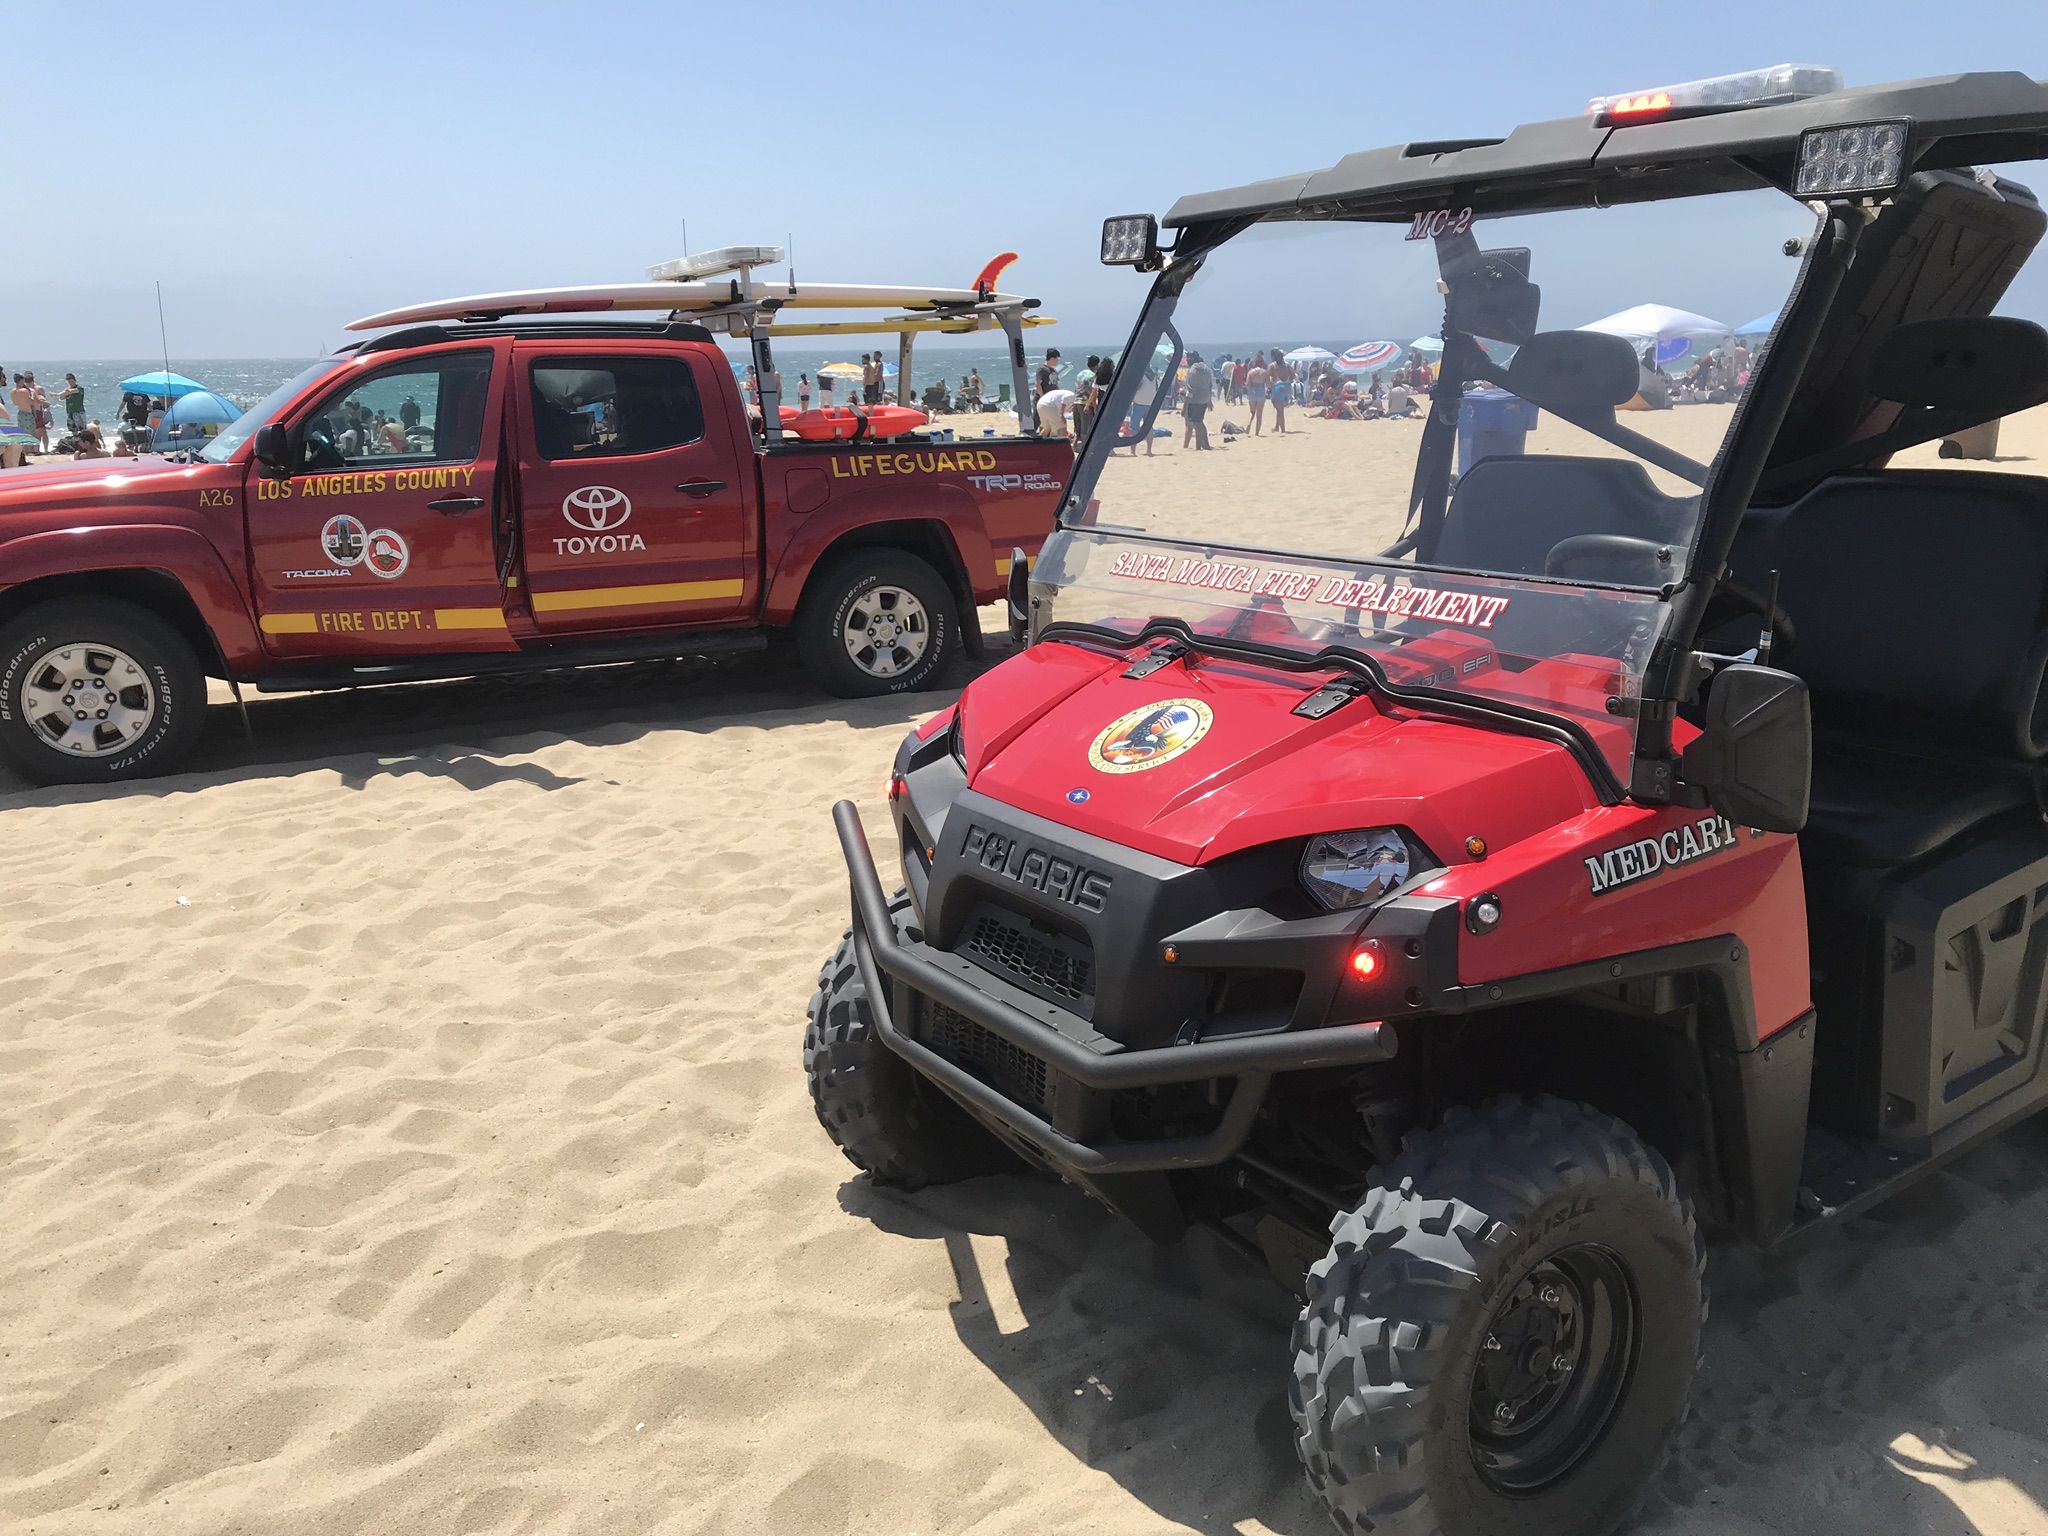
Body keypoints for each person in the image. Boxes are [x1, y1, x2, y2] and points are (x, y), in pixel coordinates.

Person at [1181, 350, 1214, 451]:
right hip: (1204, 398)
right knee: (1200, 421)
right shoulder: (1206, 368)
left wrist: (1185, 405)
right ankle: (1206, 444)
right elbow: (1210, 385)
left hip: (1195, 400)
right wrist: (1209, 399)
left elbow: (1190, 390)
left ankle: (1198, 447)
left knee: (1196, 423)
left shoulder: (1192, 371)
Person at [1269, 350, 1293, 434]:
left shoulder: (1272, 366)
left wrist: (1271, 383)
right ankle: (1276, 427)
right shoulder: (1287, 365)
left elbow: (1267, 378)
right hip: (1287, 388)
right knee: (1280, 409)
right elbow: (1293, 375)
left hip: (1277, 388)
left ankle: (1283, 430)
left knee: (1280, 411)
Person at [1245, 355, 1269, 435]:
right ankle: (1257, 433)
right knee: (1259, 414)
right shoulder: (1265, 372)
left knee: (1252, 412)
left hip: (1252, 392)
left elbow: (1247, 385)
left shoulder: (1251, 372)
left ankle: (1248, 425)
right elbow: (1269, 384)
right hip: (1261, 392)